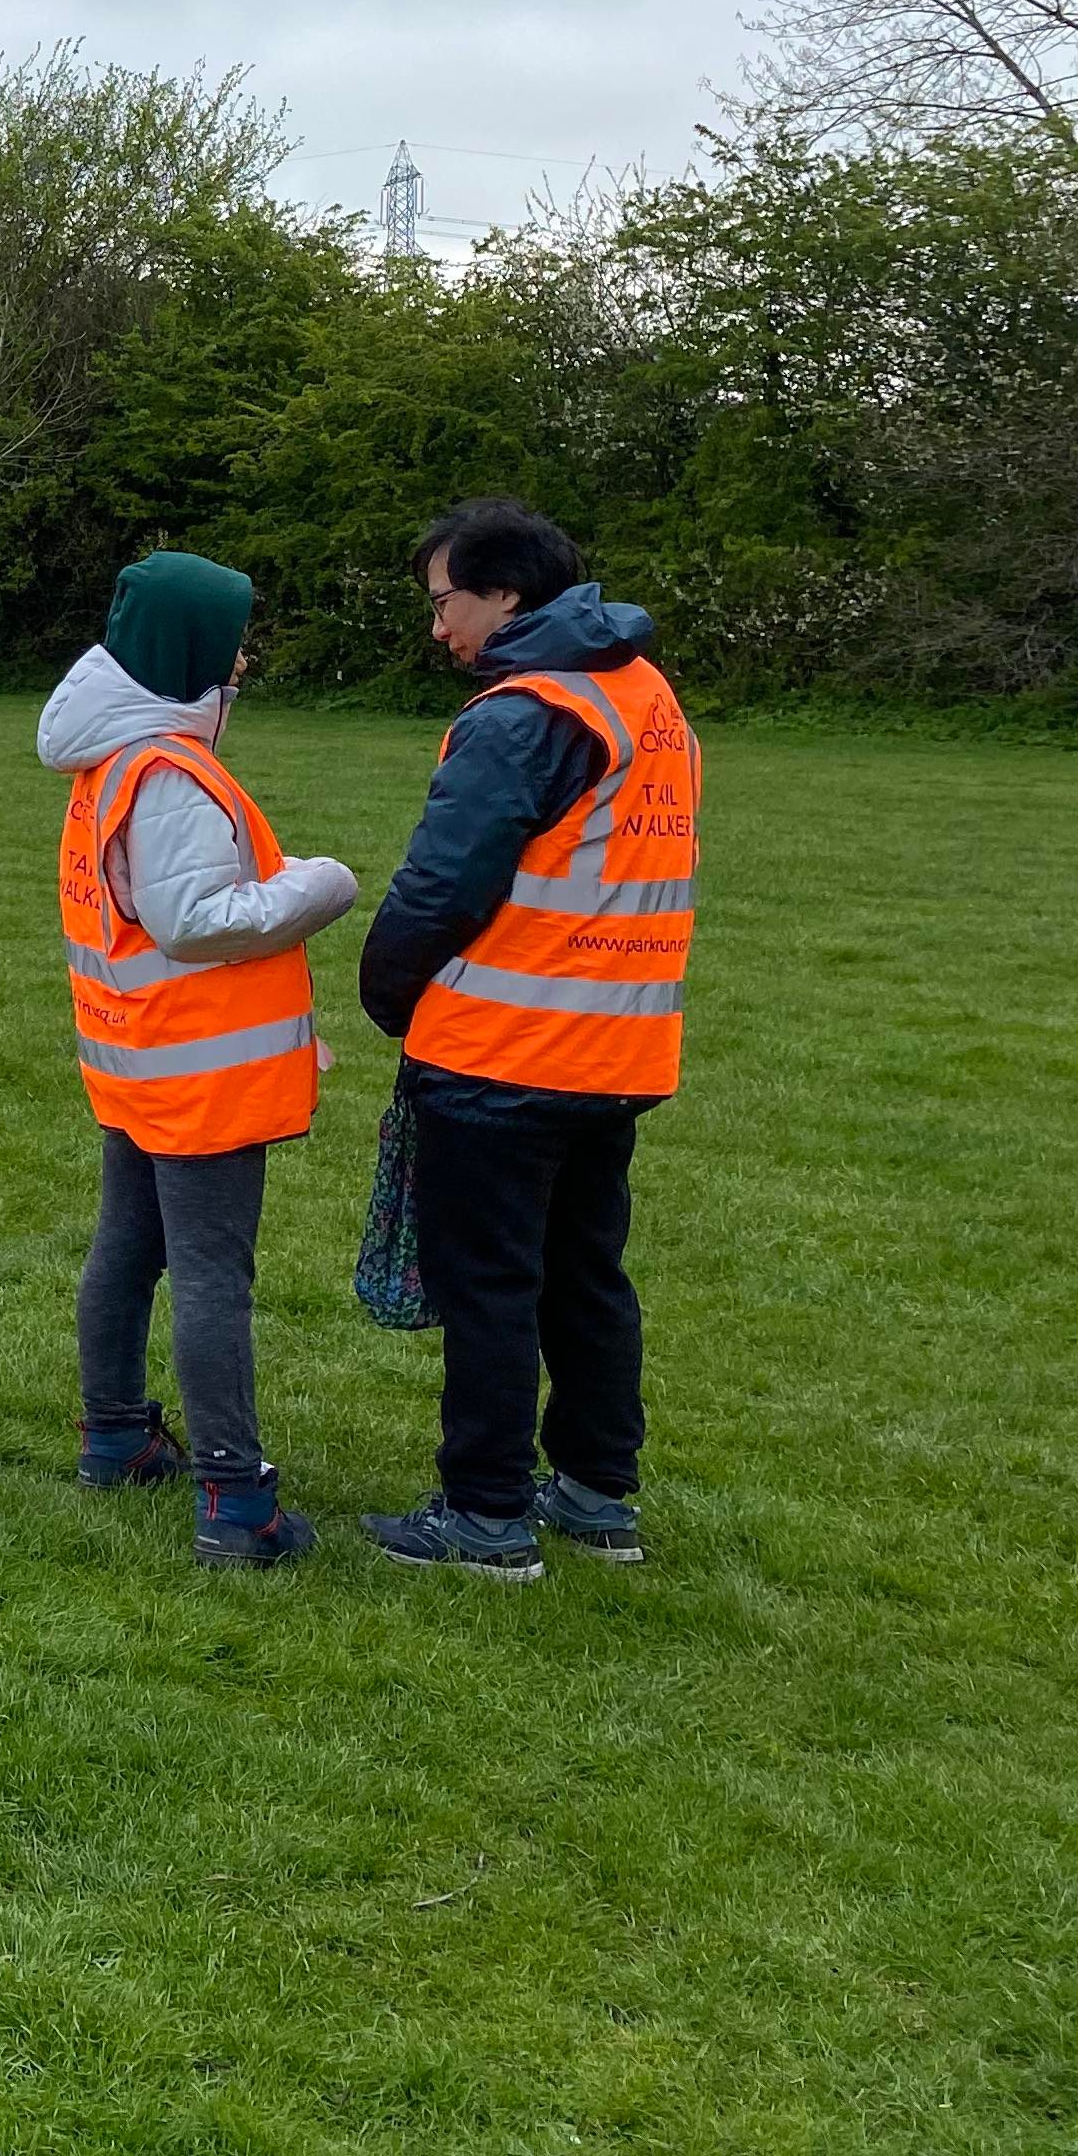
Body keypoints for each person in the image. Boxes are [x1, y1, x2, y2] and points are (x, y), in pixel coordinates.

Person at [354, 500, 701, 1581]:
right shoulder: (645, 698)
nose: (438, 627)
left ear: (506, 595)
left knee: (491, 1286)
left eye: (445, 601)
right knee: (584, 1276)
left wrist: (386, 989)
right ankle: (599, 1494)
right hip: (619, 1051)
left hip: (504, 1053)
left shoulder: (521, 715)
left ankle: (486, 1515)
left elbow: (443, 884)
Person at [40, 553, 363, 1570]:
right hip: (199, 1073)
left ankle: (115, 1436)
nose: (237, 686)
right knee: (212, 1274)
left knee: (128, 1248)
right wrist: (320, 883)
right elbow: (194, 921)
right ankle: (235, 1500)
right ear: (192, 664)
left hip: (142, 1061)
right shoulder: (167, 772)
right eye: (232, 666)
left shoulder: (117, 763)